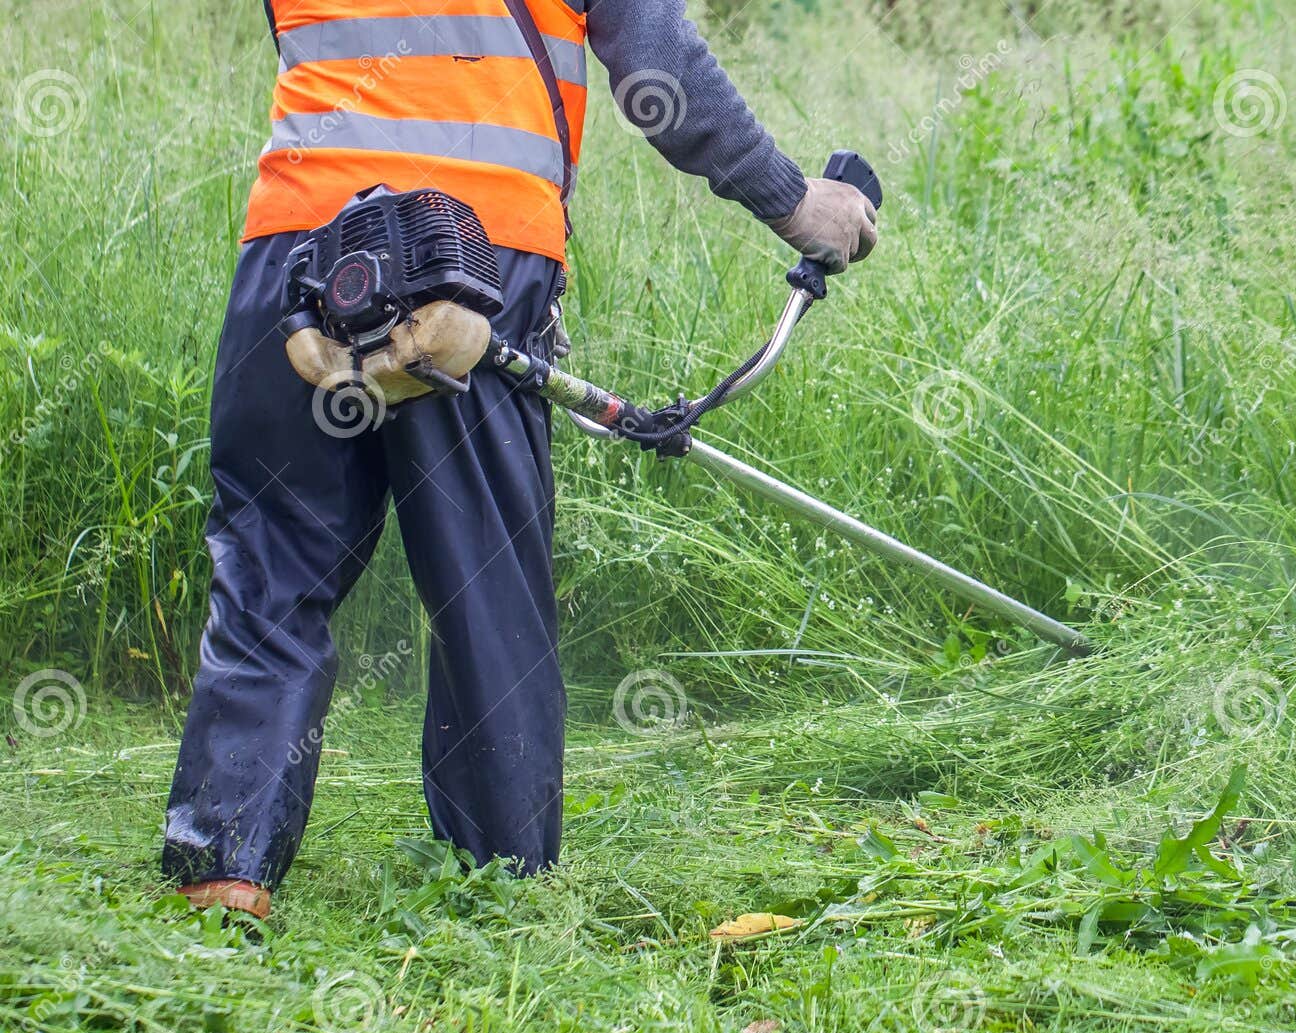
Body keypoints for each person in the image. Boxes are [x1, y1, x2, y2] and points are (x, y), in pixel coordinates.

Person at [161, 0, 878, 919]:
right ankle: (499, 885)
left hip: (300, 240)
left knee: (272, 562)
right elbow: (655, 59)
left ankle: (225, 867)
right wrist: (795, 200)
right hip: (473, 248)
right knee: (485, 585)